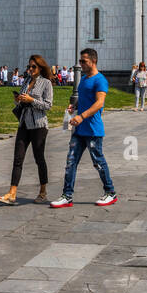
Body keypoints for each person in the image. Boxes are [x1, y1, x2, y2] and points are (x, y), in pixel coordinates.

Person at [50, 48, 116, 208]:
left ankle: (110, 192)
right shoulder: (84, 79)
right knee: (70, 161)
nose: (80, 64)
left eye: (83, 61)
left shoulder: (100, 80)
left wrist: (81, 116)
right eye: (80, 61)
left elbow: (99, 103)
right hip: (79, 130)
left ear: (93, 61)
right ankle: (67, 195)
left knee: (98, 162)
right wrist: (74, 106)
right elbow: (83, 98)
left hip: (93, 129)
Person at [0, 54, 55, 205]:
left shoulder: (46, 83)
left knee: (39, 158)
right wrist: (19, 100)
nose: (30, 69)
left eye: (33, 67)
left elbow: (48, 105)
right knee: (18, 158)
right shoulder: (27, 81)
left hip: (38, 126)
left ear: (40, 68)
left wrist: (31, 100)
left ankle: (43, 192)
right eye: (29, 67)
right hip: (24, 123)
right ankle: (12, 193)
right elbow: (22, 100)